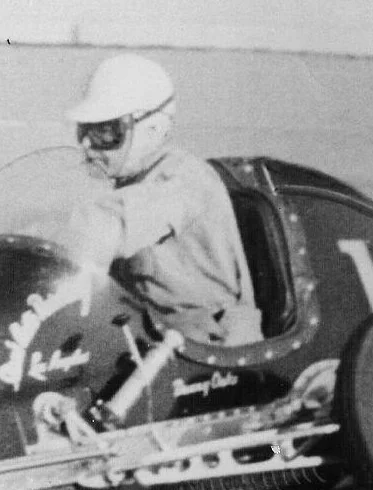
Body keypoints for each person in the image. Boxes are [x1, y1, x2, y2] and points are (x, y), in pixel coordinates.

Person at [67, 53, 262, 346]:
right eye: (85, 130)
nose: (86, 144)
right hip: (151, 334)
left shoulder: (183, 180)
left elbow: (112, 223)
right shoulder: (131, 181)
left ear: (154, 129)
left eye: (106, 132)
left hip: (207, 350)